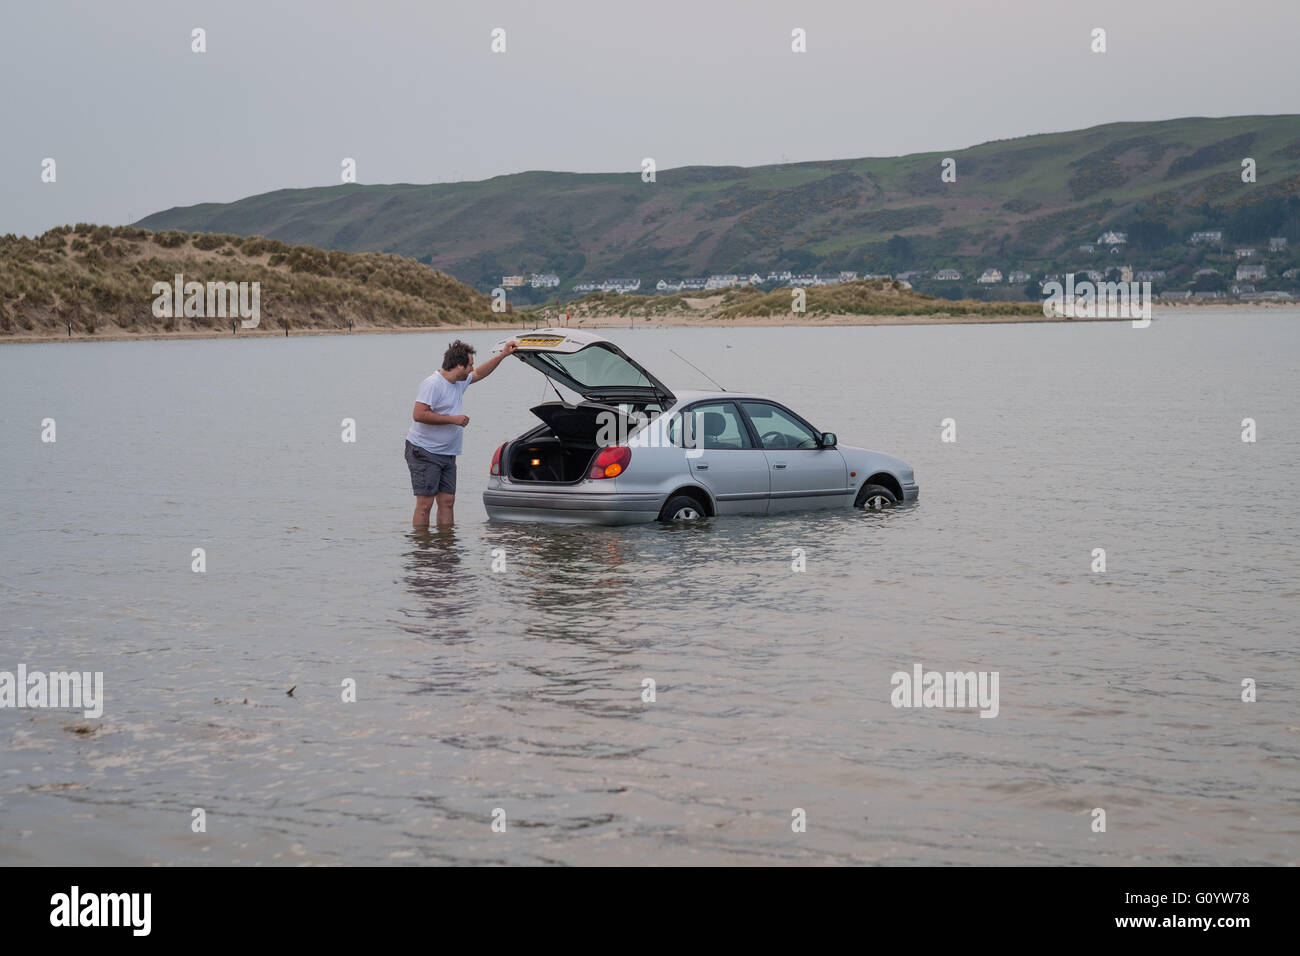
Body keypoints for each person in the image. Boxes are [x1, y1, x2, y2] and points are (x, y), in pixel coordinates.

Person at [405, 338, 517, 528]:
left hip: (448, 453)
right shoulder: (432, 384)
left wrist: (503, 355)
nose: (472, 369)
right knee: (425, 505)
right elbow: (419, 414)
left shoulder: (459, 382)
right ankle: (422, 552)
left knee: (448, 501)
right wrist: (453, 419)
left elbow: (480, 373)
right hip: (424, 451)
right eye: (469, 364)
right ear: (459, 366)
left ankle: (446, 548)